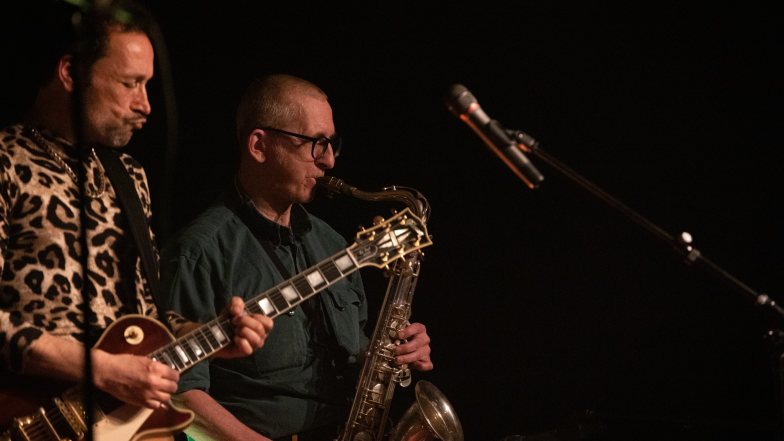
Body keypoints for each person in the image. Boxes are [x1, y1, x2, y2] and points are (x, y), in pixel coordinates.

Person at [0, 1, 272, 437]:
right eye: (130, 84)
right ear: (71, 73)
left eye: (148, 85)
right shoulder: (7, 160)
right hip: (29, 419)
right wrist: (102, 369)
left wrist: (213, 334)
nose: (146, 105)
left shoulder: (127, 177)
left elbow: (145, 320)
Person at [158, 73, 433, 441]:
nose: (330, 161)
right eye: (316, 144)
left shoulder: (333, 243)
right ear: (259, 145)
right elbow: (178, 392)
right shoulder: (199, 251)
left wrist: (393, 353)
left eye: (333, 144)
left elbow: (353, 359)